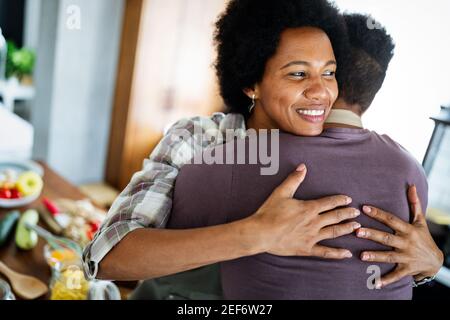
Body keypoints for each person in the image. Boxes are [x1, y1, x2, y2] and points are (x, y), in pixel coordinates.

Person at [82, 0, 442, 297]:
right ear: (252, 82)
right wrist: (257, 234)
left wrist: (429, 264)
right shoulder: (200, 138)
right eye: (298, 74)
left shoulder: (343, 159)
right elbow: (105, 258)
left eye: (329, 73)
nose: (320, 92)